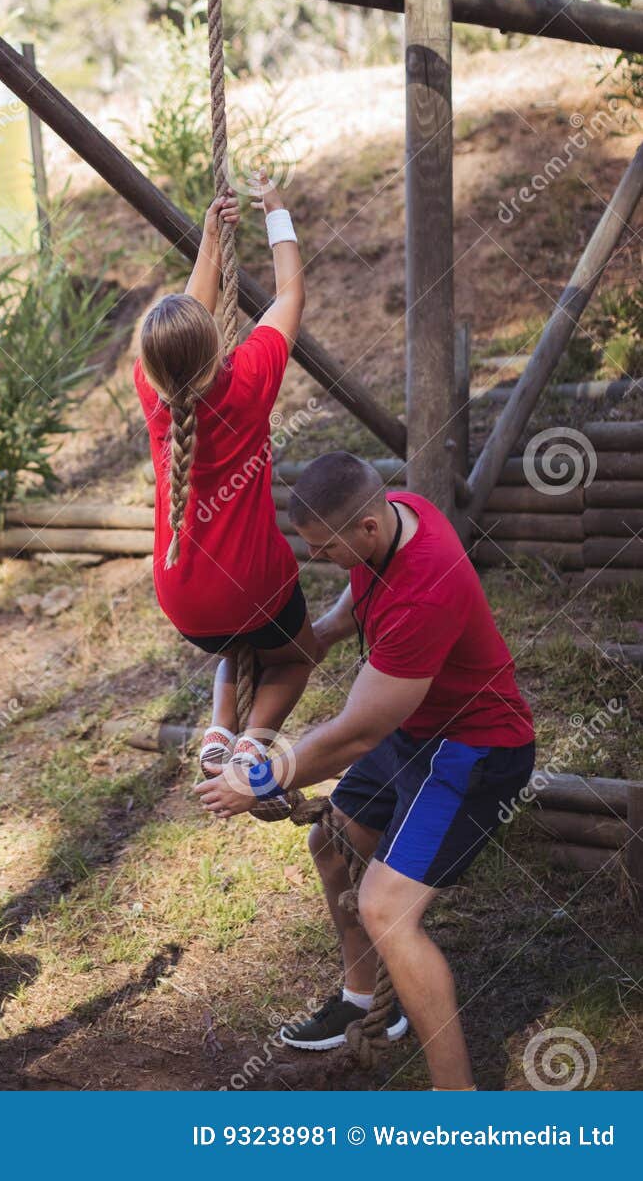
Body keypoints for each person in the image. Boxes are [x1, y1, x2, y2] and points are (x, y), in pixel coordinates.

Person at [195, 450, 535, 1090]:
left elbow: (356, 732)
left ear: (367, 529)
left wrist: (260, 778)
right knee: (330, 841)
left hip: (474, 751)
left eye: (324, 547)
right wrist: (316, 635)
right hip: (420, 730)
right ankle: (363, 1000)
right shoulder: (399, 513)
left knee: (385, 909)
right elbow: (361, 597)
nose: (317, 558)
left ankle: (455, 1098)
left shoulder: (424, 590)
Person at [134, 172, 316, 780]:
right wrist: (276, 214)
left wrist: (210, 238)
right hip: (255, 589)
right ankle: (252, 739)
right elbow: (289, 296)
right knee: (293, 659)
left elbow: (186, 325)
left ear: (151, 368)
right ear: (215, 345)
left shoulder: (151, 393)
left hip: (182, 601)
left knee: (228, 643)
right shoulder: (247, 380)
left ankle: (218, 728)